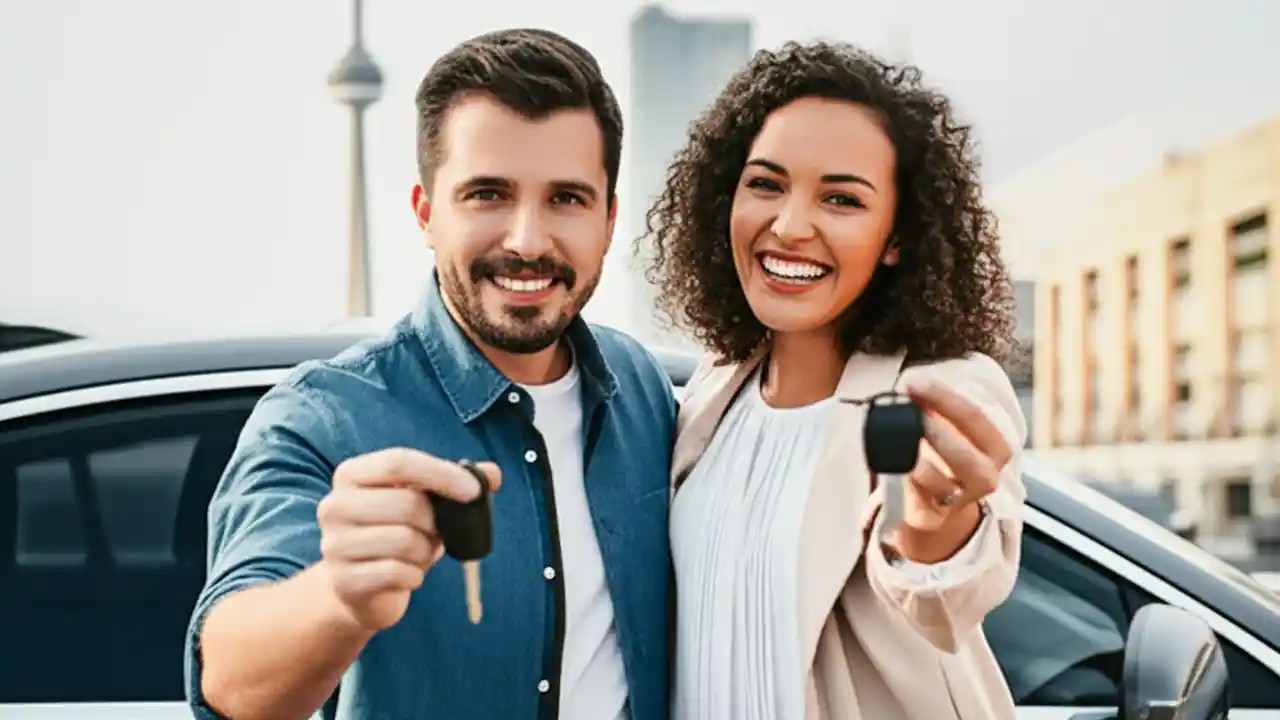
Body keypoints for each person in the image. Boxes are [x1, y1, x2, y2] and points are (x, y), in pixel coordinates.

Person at [185, 28, 676, 720]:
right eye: (487, 195)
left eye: (566, 198)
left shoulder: (646, 392)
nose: (528, 240)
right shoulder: (324, 419)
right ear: (426, 214)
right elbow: (231, 682)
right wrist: (338, 596)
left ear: (608, 218)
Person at [641, 41, 1028, 719]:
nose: (789, 227)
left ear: (896, 237)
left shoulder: (939, 392)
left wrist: (932, 529)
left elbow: (943, 591)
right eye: (765, 184)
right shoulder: (712, 391)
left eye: (842, 200)